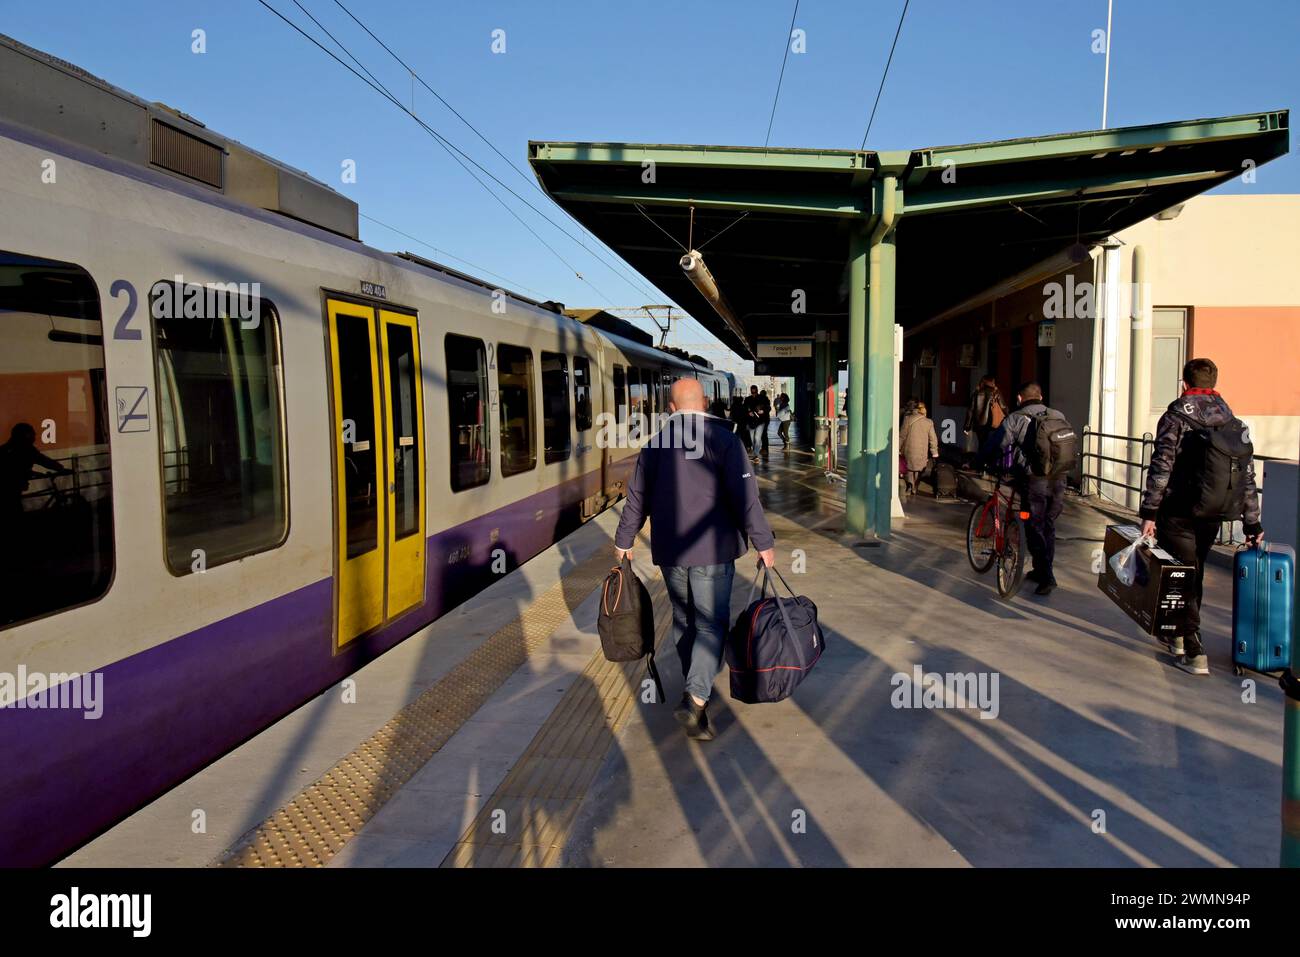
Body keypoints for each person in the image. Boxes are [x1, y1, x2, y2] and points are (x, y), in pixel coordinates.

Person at [614, 378, 776, 741]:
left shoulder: (655, 446)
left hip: (672, 553)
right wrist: (764, 542)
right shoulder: (726, 441)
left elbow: (636, 499)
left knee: (686, 620)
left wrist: (624, 541)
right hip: (713, 552)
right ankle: (696, 697)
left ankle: (696, 702)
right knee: (710, 624)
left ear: (670, 409)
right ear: (705, 403)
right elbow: (746, 497)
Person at [1139, 358, 1263, 676]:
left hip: (1178, 510)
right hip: (1214, 512)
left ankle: (1194, 650)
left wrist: (1149, 512)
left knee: (1180, 574)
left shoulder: (1176, 415)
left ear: (1184, 384)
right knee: (1194, 572)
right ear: (1215, 383)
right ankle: (1179, 635)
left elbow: (1162, 464)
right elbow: (1246, 475)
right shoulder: (1232, 421)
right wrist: (1252, 523)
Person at [994, 383, 1066, 596]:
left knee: (1033, 525)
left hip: (1035, 481)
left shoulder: (1015, 418)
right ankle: (1040, 569)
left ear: (1019, 398)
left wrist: (979, 461)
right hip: (1059, 479)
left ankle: (1047, 576)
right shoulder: (1058, 415)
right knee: (1048, 525)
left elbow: (998, 444)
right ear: (1041, 396)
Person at [965, 375, 1008, 466]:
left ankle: (981, 464)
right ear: (992, 382)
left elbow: (970, 411)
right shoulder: (996, 393)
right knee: (993, 444)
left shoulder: (976, 393)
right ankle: (990, 464)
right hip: (993, 424)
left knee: (982, 444)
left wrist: (967, 426)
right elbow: (1003, 407)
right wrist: (1010, 418)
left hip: (980, 425)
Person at [900, 401, 939, 497]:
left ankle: (910, 484)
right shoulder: (928, 422)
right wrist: (934, 452)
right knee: (919, 469)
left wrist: (898, 448)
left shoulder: (907, 419)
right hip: (922, 451)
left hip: (908, 450)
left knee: (909, 469)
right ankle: (915, 486)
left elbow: (902, 436)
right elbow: (933, 438)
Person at [743, 385, 765, 462]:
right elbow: (744, 408)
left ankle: (755, 455)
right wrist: (748, 412)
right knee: (752, 439)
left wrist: (763, 411)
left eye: (755, 391)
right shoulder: (747, 399)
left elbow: (768, 407)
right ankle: (755, 452)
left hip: (760, 421)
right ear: (751, 391)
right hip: (751, 421)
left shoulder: (762, 398)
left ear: (757, 390)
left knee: (757, 438)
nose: (753, 393)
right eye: (752, 391)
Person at [758, 390, 772, 455]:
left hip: (763, 419)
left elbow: (768, 408)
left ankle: (765, 449)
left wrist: (763, 411)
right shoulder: (766, 400)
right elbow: (769, 408)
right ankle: (764, 448)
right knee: (763, 434)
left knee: (763, 435)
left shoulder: (764, 400)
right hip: (765, 419)